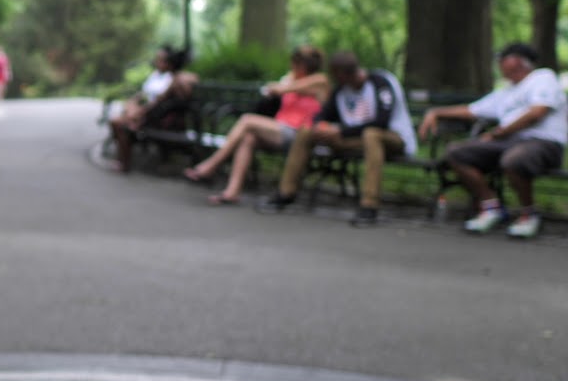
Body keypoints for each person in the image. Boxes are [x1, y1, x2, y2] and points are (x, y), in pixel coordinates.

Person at [418, 42, 567, 238]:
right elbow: (471, 110)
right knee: (457, 152)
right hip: (507, 143)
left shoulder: (543, 78)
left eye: (502, 59)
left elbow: (537, 112)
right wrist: (436, 112)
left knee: (514, 159)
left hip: (543, 143)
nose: (499, 63)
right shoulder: (506, 91)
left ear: (517, 62)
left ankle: (529, 215)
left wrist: (501, 133)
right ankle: (491, 206)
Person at [259, 51, 417, 226]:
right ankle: (285, 193)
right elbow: (323, 114)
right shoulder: (341, 89)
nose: (335, 81)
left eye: (337, 77)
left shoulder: (381, 83)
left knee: (371, 134)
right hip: (355, 140)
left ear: (345, 74)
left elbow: (382, 122)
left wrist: (341, 131)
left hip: (393, 139)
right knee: (307, 131)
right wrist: (320, 126)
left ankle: (369, 206)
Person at [184, 45, 329, 205]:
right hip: (279, 129)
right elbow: (276, 90)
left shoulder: (320, 81)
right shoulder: (293, 80)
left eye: (294, 64)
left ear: (302, 65)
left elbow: (281, 89)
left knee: (247, 120)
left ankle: (211, 165)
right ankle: (232, 191)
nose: (291, 67)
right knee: (248, 138)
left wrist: (283, 85)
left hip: (300, 134)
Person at [107, 45, 199, 173]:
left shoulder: (177, 79)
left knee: (120, 124)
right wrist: (132, 106)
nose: (156, 62)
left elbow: (160, 101)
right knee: (118, 121)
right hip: (148, 113)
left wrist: (140, 113)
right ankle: (122, 160)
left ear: (170, 63)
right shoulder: (157, 76)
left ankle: (124, 162)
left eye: (161, 60)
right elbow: (146, 96)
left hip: (157, 117)